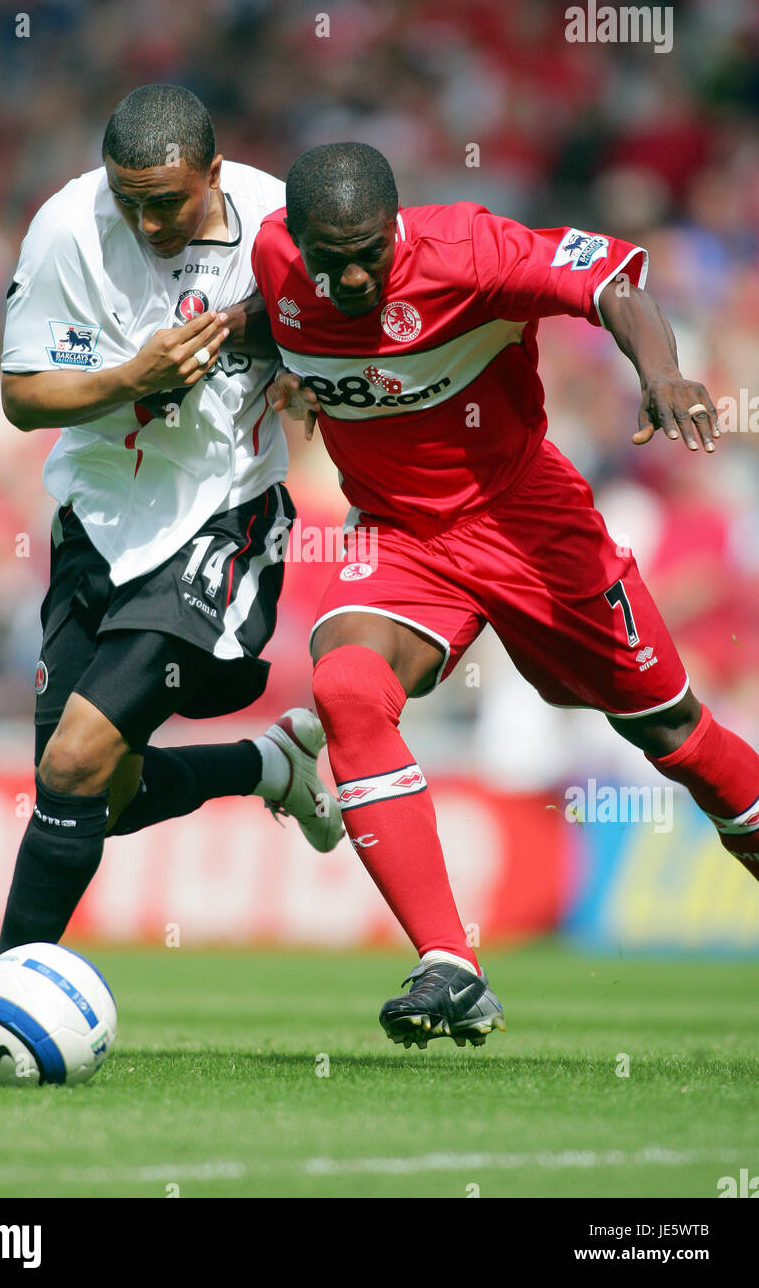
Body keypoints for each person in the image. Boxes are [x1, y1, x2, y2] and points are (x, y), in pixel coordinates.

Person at [251, 140, 759, 1051]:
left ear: (396, 223)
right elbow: (279, 329)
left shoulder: (468, 253)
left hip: (524, 519)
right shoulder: (275, 259)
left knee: (672, 736)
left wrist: (660, 370)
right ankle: (449, 963)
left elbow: (612, 282)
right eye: (331, 260)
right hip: (398, 534)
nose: (354, 273)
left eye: (369, 250)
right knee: (345, 690)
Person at [0, 87, 343, 1066]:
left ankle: (2, 990)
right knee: (92, 792)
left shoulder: (282, 221)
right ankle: (267, 765)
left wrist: (307, 370)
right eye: (131, 199)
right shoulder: (66, 227)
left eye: (169, 203)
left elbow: (349, 327)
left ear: (214, 176)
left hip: (221, 525)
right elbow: (21, 396)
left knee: (71, 765)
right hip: (94, 529)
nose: (147, 221)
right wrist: (126, 379)